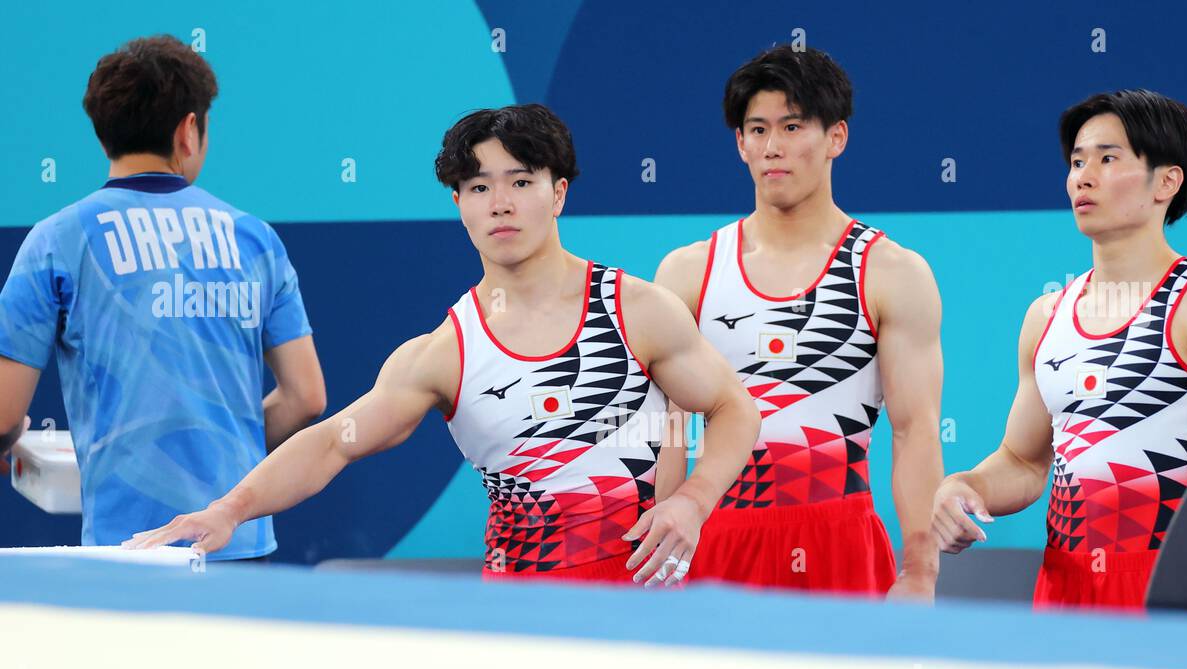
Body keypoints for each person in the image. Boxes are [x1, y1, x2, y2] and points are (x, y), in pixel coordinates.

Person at [126, 105, 759, 585]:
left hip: (643, 608)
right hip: (515, 610)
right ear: (458, 204)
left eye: (521, 181)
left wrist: (693, 502)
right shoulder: (444, 352)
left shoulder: (637, 309)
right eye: (479, 187)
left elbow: (735, 408)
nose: (500, 203)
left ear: (559, 191)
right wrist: (231, 509)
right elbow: (331, 442)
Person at [931, 89, 1187, 609]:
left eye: (1107, 158)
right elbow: (1023, 462)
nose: (1082, 177)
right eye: (1076, 161)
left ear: (1167, 181)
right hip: (1063, 592)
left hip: (1171, 592)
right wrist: (963, 486)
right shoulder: (1045, 317)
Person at [0, 35, 325, 560]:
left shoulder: (56, 241)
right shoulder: (256, 239)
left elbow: (1, 414)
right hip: (239, 542)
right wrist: (232, 450)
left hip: (125, 550)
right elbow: (306, 397)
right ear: (188, 130)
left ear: (104, 132)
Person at [654, 47, 943, 597]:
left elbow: (915, 432)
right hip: (718, 535)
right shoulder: (688, 273)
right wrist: (659, 550)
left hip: (841, 536)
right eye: (757, 129)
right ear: (739, 144)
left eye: (792, 126)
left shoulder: (891, 272)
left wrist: (921, 570)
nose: (773, 147)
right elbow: (667, 431)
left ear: (837, 137)